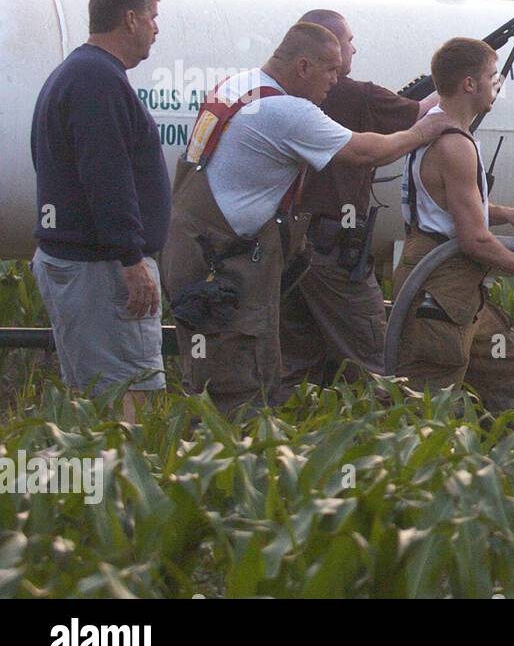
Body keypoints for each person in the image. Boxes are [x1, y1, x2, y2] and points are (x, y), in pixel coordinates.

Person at [159, 21, 442, 415]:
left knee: (212, 375)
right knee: (237, 387)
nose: (337, 81)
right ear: (304, 66)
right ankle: (229, 469)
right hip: (225, 266)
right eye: (331, 71)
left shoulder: (237, 86)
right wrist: (426, 129)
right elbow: (365, 152)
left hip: (194, 254)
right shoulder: (286, 112)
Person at [393, 37, 514, 424]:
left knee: (513, 380)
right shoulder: (455, 145)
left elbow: (443, 203)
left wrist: (504, 213)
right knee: (427, 405)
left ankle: (513, 469)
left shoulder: (435, 128)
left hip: (455, 290)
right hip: (441, 290)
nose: (496, 84)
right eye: (491, 76)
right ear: (469, 84)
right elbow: (473, 239)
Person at [277, 10, 437, 398]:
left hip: (291, 248)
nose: (353, 48)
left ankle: (284, 445)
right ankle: (387, 449)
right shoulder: (356, 93)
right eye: (348, 41)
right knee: (376, 362)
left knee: (297, 365)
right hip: (335, 254)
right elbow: (421, 114)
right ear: (328, 43)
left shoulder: (287, 94)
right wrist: (455, 85)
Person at [29, 0, 168, 422]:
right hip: (102, 269)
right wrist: (130, 260)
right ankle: (121, 489)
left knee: (100, 396)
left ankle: (100, 487)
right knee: (126, 398)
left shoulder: (82, 72)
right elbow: (106, 176)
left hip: (89, 262)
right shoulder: (97, 80)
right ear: (130, 19)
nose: (156, 28)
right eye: (152, 16)